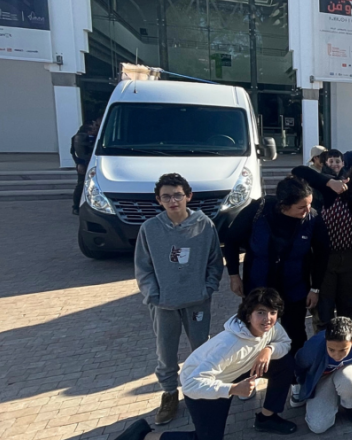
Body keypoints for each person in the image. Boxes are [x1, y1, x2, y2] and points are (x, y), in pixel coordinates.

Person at [113, 288, 297, 440]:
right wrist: (233, 389)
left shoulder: (271, 328)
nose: (268, 319)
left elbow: (285, 343)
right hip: (203, 385)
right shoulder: (228, 345)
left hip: (235, 371)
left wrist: (268, 350)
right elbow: (192, 384)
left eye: (273, 313)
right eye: (261, 313)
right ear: (248, 316)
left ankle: (267, 418)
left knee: (285, 364)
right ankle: (144, 435)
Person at [134, 173, 224, 425]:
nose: (173, 201)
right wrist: (154, 295)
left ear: (188, 196)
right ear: (159, 200)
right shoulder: (150, 229)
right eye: (166, 197)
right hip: (164, 304)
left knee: (201, 348)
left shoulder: (204, 225)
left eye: (177, 195)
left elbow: (215, 261)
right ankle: (170, 393)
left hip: (197, 301)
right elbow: (143, 267)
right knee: (166, 351)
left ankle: (201, 388)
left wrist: (207, 288)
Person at [222, 176, 330, 356]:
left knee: (295, 331)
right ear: (283, 205)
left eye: (310, 204)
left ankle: (296, 373)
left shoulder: (313, 218)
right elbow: (231, 240)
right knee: (254, 331)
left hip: (294, 286)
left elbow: (322, 254)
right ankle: (253, 370)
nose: (307, 210)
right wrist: (234, 275)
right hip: (258, 284)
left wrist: (315, 288)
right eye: (301, 207)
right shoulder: (259, 210)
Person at [294, 156, 352, 330]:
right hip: (325, 259)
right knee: (323, 312)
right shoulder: (337, 187)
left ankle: (346, 351)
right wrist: (329, 182)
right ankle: (323, 351)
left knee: (349, 312)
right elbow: (299, 171)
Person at [293, 317, 352, 434]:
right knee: (318, 426)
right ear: (326, 339)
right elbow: (299, 364)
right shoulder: (313, 347)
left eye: (343, 349)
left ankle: (350, 405)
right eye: (331, 349)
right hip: (323, 377)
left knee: (348, 379)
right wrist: (304, 385)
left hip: (351, 370)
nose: (337, 355)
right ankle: (336, 394)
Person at [70, 117, 100, 215]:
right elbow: (80, 153)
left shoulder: (86, 137)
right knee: (81, 184)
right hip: (85, 164)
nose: (96, 129)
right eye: (94, 127)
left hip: (89, 163)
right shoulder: (80, 138)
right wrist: (81, 163)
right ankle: (76, 206)